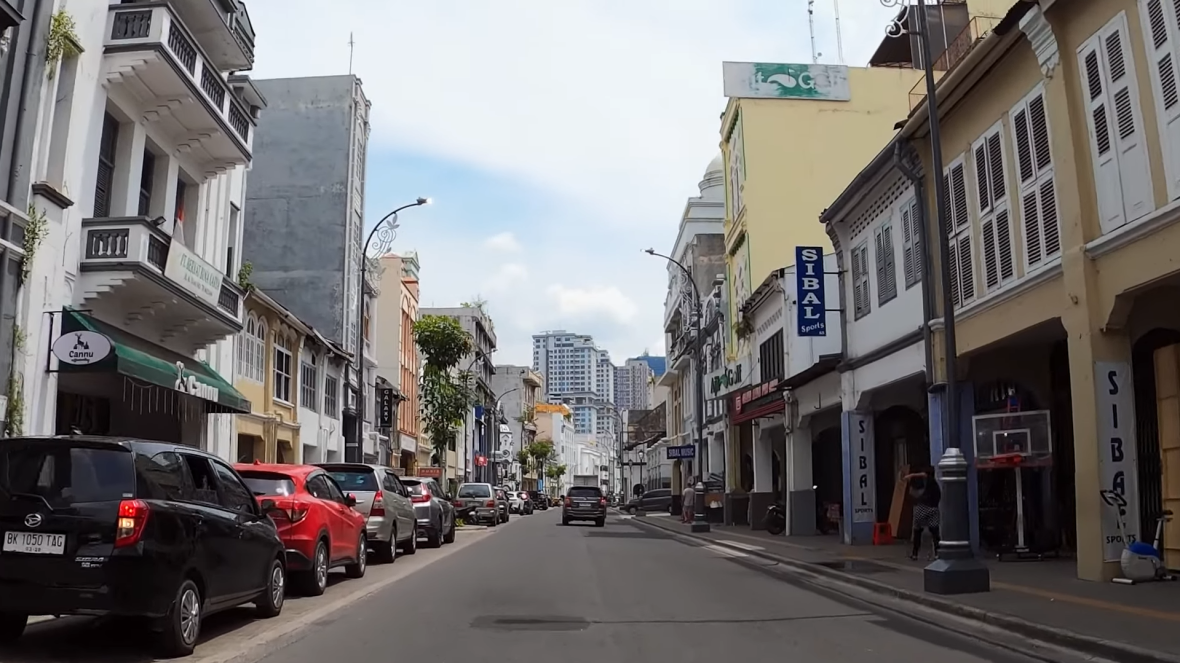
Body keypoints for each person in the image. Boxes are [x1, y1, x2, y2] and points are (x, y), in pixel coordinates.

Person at [902, 467, 941, 560]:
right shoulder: (933, 484)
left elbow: (923, 475)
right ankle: (937, 553)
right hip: (934, 509)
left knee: (917, 531)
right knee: (935, 533)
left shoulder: (926, 481)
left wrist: (911, 475)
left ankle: (915, 554)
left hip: (921, 508)